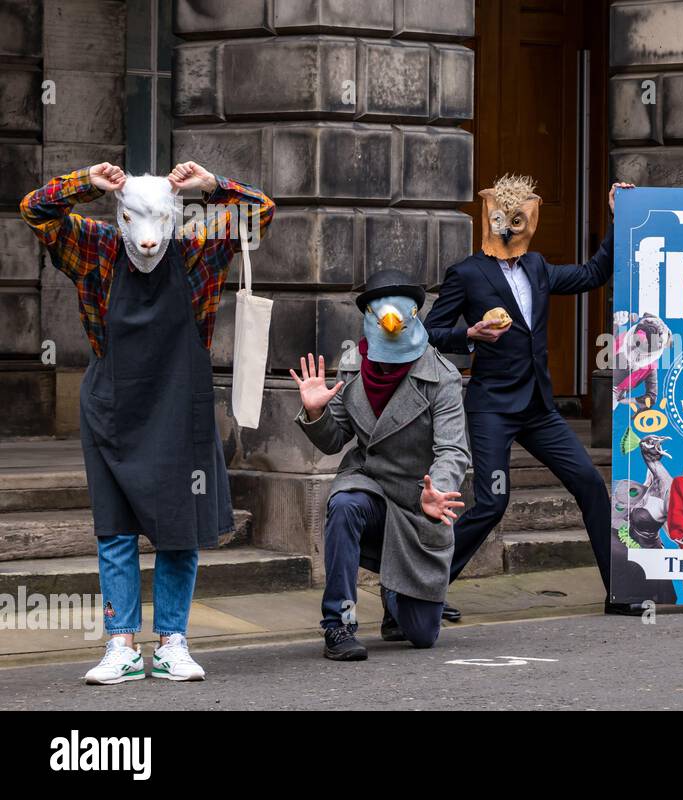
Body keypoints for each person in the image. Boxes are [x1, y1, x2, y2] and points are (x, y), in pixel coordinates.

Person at [20, 161, 274, 683]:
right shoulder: (93, 247)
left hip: (182, 405)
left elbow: (261, 213)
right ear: (120, 215)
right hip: (113, 407)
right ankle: (122, 645)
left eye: (160, 218)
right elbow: (34, 209)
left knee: (180, 531)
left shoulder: (202, 247)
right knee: (114, 531)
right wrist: (85, 182)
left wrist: (212, 186)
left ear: (176, 215)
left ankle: (172, 642)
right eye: (136, 218)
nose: (150, 237)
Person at [423, 175, 636, 618]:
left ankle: (619, 590)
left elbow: (593, 274)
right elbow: (427, 334)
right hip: (492, 409)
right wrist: (470, 334)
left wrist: (618, 217)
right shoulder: (466, 273)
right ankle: (424, 589)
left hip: (539, 408)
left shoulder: (537, 266)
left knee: (591, 485)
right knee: (492, 504)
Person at [293, 270, 470, 660]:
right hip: (369, 484)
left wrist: (437, 490)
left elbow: (453, 450)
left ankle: (396, 596)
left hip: (416, 500)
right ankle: (338, 623)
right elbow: (335, 440)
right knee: (344, 504)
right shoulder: (353, 365)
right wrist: (314, 412)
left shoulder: (441, 376)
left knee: (420, 636)